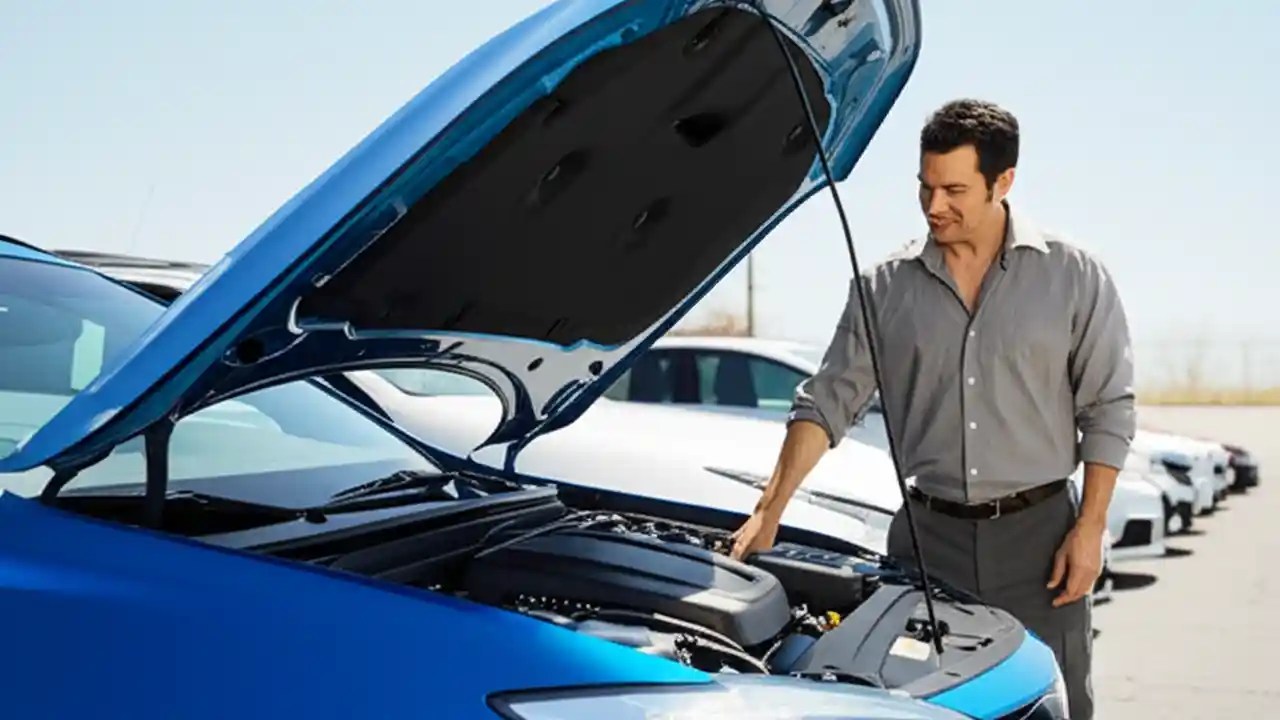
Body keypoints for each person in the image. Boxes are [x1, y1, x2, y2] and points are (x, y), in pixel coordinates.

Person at [728, 98, 1134, 720]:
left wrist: (1090, 529)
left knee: (1057, 706)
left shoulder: (1073, 275)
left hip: (1042, 543)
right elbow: (827, 398)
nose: (934, 205)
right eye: (924, 187)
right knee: (924, 710)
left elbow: (1107, 408)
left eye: (953, 189)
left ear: (1004, 183)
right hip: (926, 543)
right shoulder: (884, 286)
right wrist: (769, 509)